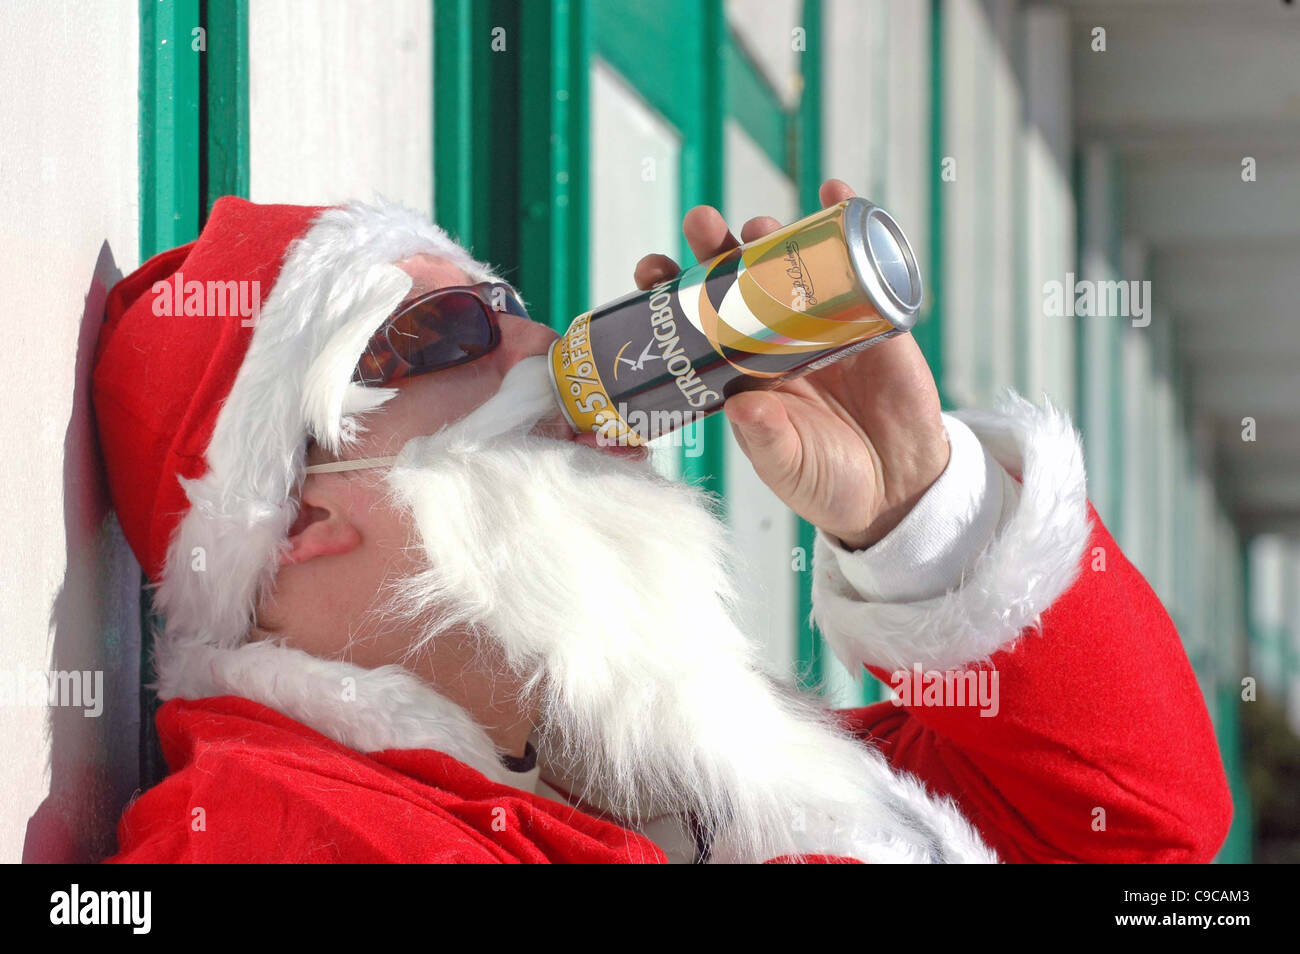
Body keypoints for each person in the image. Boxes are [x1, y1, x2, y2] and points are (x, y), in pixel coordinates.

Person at [95, 181, 1231, 863]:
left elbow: (1128, 834)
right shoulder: (263, 830)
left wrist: (916, 512)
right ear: (293, 517)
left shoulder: (742, 774)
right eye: (442, 334)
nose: (544, 346)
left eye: (514, 309)